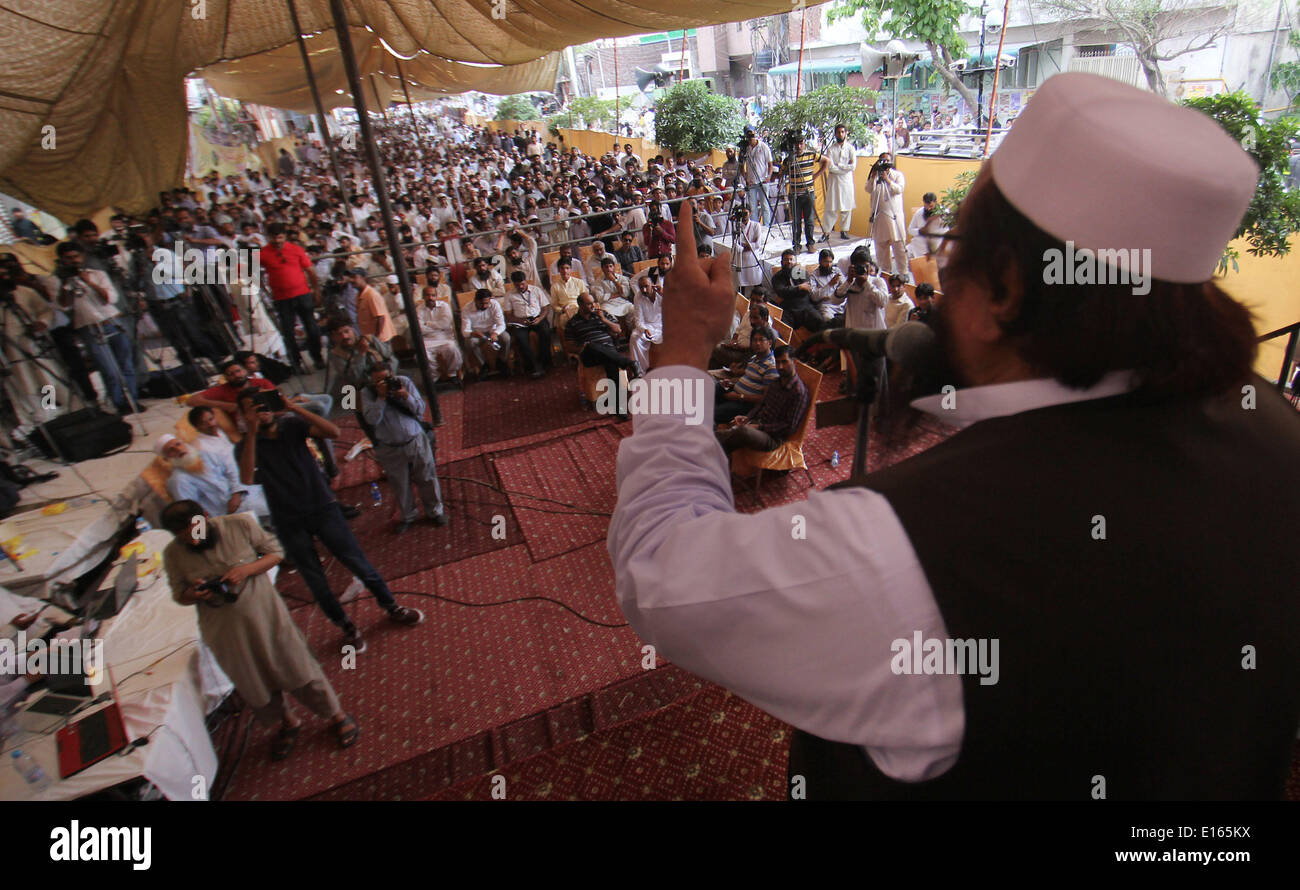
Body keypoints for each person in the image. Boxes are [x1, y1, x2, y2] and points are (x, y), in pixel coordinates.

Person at [608, 74, 1300, 800]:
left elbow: (659, 569)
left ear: (1002, 288)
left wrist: (683, 350)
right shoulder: (1279, 437)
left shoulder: (906, 547)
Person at [160, 502, 358, 761]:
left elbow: (275, 553)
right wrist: (193, 593)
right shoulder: (173, 554)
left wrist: (245, 570)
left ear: (206, 517)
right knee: (254, 681)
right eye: (184, 536)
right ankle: (288, 722)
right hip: (224, 630)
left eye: (194, 529)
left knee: (298, 667)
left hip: (267, 617)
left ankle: (337, 714)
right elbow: (179, 594)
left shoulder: (238, 525)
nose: (192, 539)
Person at [237, 388, 423, 653]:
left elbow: (332, 433)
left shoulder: (291, 426)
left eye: (262, 404)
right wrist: (253, 432)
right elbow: (245, 476)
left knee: (356, 560)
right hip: (288, 518)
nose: (260, 410)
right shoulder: (244, 445)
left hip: (321, 507)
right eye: (251, 407)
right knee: (315, 579)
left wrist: (293, 407)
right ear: (243, 415)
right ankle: (346, 626)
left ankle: (392, 607)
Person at [362, 368, 448, 535]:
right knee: (400, 483)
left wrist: (405, 396)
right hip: (389, 447)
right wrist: (381, 398)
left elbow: (420, 408)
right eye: (379, 381)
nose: (385, 383)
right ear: (372, 382)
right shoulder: (367, 393)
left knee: (427, 477)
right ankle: (408, 516)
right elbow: (371, 419)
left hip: (415, 440)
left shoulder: (403, 382)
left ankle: (435, 511)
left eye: (387, 378)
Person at [713, 344, 809, 454]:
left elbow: (789, 427)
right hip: (759, 423)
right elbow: (762, 403)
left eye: (784, 362)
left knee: (743, 432)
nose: (780, 367)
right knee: (735, 429)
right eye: (777, 362)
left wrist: (759, 427)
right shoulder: (776, 382)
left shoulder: (798, 392)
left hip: (773, 437)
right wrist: (747, 418)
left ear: (794, 362)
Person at [259, 222, 323, 373]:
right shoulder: (262, 253)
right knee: (288, 332)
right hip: (281, 298)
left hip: (302, 293)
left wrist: (316, 290)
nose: (277, 241)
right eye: (274, 238)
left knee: (312, 328)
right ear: (268, 238)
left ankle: (317, 357)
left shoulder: (296, 249)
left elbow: (310, 271)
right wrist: (265, 290)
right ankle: (296, 362)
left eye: (280, 237)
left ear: (284, 236)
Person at [158, 433, 253, 521]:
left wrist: (236, 493)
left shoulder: (204, 455)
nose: (178, 450)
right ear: (166, 459)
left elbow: (232, 471)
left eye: (178, 444)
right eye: (171, 450)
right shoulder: (178, 480)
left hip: (243, 495)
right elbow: (191, 512)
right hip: (227, 515)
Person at [782, 134, 828, 255]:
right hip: (794, 193)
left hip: (808, 192)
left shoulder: (811, 154)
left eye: (801, 143)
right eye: (796, 143)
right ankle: (796, 245)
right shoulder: (789, 159)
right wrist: (787, 164)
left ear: (804, 143)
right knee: (796, 221)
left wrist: (816, 175)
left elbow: (826, 161)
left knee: (809, 220)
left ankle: (810, 244)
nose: (799, 146)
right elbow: (783, 172)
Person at [503, 270, 553, 378]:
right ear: (514, 284)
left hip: (537, 318)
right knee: (521, 339)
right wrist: (520, 321)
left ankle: (543, 362)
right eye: (517, 285)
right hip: (520, 322)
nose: (521, 286)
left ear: (526, 281)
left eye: (522, 283)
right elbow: (507, 314)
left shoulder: (536, 290)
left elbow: (545, 307)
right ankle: (533, 365)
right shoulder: (509, 295)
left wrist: (540, 318)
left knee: (546, 332)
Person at [866, 152, 907, 279]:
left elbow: (898, 189)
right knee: (881, 248)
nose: (885, 163)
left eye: (887, 161)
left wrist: (887, 179)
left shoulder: (898, 175)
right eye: (882, 160)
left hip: (895, 219)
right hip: (880, 218)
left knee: (899, 247)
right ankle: (885, 273)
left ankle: (903, 273)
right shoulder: (875, 176)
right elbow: (868, 189)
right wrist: (873, 175)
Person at [416, 283, 464, 381]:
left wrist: (427, 324)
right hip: (427, 339)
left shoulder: (444, 306)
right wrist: (437, 326)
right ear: (423, 297)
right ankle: (434, 377)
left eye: (433, 295)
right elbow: (419, 328)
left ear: (436, 296)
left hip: (445, 337)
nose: (430, 298)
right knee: (420, 355)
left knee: (453, 349)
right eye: (427, 295)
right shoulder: (418, 309)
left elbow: (445, 324)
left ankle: (452, 373)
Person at [461, 288, 511, 378]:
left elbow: (501, 324)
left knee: (506, 338)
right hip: (477, 333)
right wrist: (473, 333)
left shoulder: (494, 304)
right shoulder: (466, 309)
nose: (484, 306)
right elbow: (465, 332)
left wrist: (495, 333)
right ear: (475, 301)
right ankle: (483, 364)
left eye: (486, 303)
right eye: (481, 303)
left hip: (492, 330)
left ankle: (501, 361)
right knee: (469, 343)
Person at [824, 124, 858, 240]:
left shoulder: (851, 148)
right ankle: (827, 232)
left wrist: (840, 165)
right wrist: (844, 168)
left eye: (842, 132)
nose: (840, 134)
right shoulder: (831, 149)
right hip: (834, 181)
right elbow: (830, 167)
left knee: (846, 207)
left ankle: (844, 230)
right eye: (838, 132)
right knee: (831, 207)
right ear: (835, 134)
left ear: (846, 133)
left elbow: (853, 166)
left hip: (847, 182)